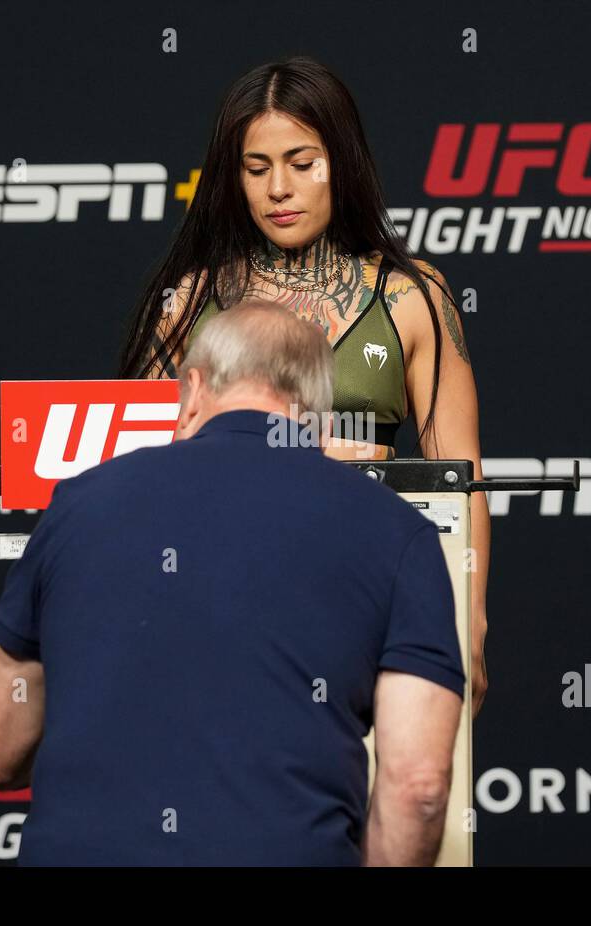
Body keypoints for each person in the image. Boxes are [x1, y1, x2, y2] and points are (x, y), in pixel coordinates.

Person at [0, 301, 465, 866]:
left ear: (193, 391)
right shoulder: (398, 532)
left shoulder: (77, 503)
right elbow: (418, 788)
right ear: (318, 418)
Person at [116, 55, 492, 716]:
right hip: (217, 598)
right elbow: (141, 480)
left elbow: (460, 483)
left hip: (366, 597)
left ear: (341, 162)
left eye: (302, 162)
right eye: (256, 169)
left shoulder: (411, 296)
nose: (278, 189)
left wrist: (471, 623)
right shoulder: (190, 303)